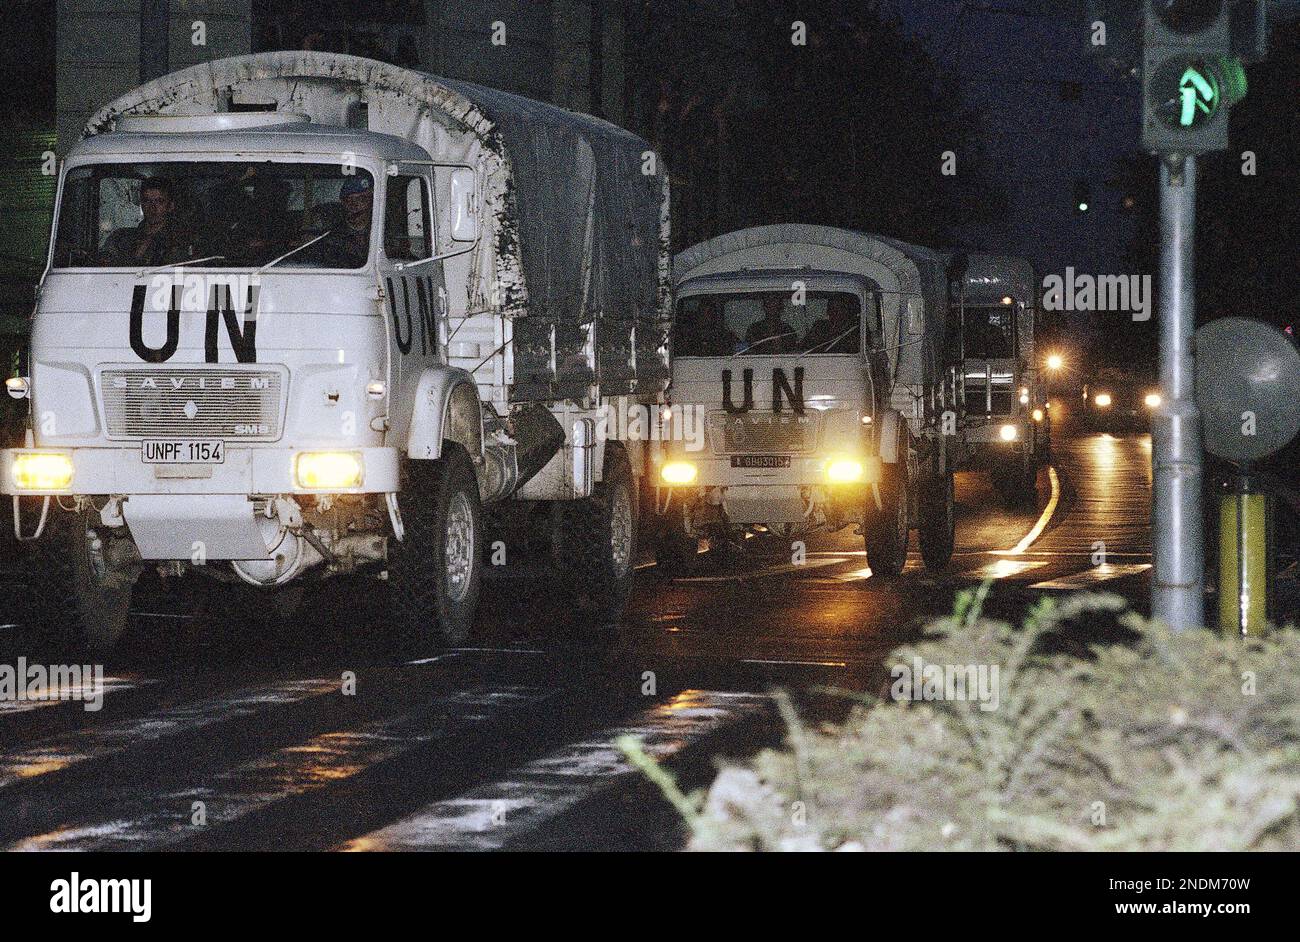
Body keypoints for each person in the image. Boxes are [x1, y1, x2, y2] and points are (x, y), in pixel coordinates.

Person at [100, 177, 189, 266]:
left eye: (159, 201)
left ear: (170, 206)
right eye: (147, 201)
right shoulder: (120, 238)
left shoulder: (181, 239)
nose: (152, 207)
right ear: (141, 204)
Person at [314, 174, 374, 267]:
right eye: (349, 200)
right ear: (343, 203)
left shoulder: (383, 230)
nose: (355, 205)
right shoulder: (331, 234)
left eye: (362, 199)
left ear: (372, 202)